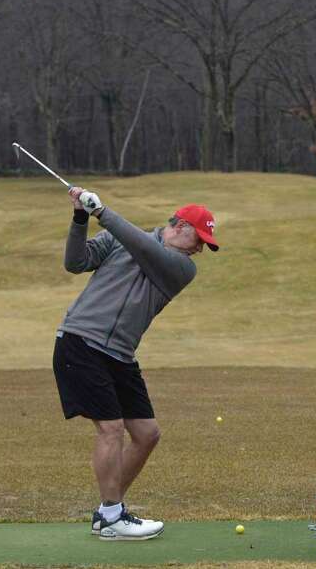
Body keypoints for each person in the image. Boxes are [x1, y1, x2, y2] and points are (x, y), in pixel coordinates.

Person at [53, 185, 218, 541]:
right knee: (111, 428)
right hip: (81, 342)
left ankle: (108, 512)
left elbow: (143, 248)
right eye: (200, 239)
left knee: (146, 434)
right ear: (180, 226)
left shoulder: (182, 268)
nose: (200, 249)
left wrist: (102, 213)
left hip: (120, 354)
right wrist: (81, 218)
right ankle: (112, 517)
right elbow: (75, 262)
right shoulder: (119, 239)